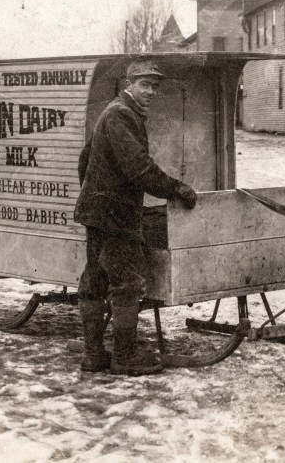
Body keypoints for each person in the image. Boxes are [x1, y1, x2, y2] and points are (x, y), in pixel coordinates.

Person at [74, 59, 199, 376]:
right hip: (115, 216)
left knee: (96, 279)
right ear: (129, 84)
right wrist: (176, 189)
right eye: (145, 84)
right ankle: (124, 357)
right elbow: (139, 168)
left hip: (99, 212)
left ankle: (93, 355)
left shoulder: (116, 112)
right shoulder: (121, 114)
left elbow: (86, 157)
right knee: (127, 283)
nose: (151, 91)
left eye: (155, 86)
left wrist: (94, 193)